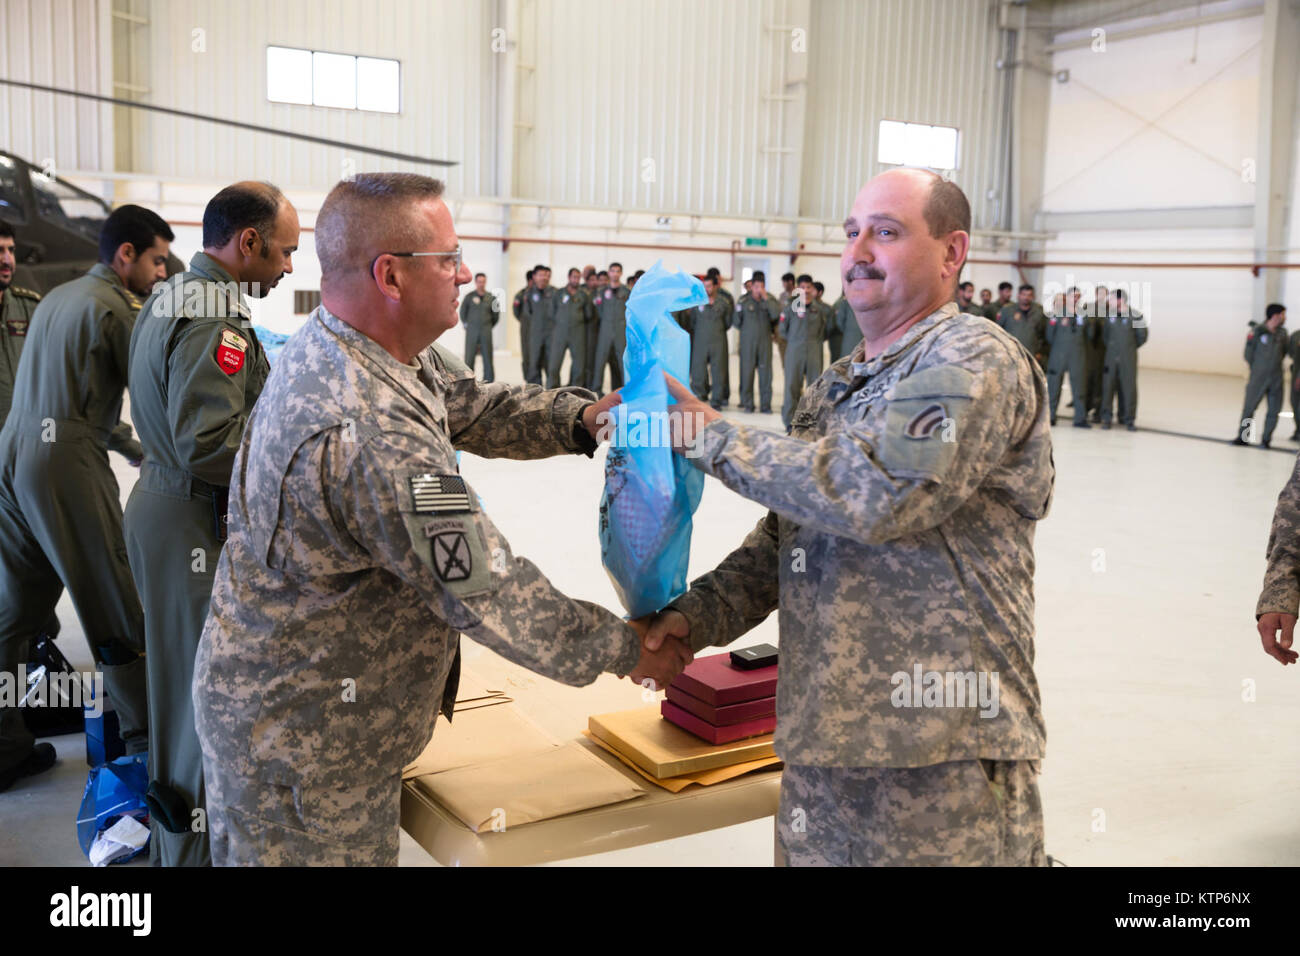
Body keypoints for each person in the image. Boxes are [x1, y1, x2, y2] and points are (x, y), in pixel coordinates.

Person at [192, 172, 691, 866]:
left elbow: (473, 404)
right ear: (390, 276)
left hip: (317, 724)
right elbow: (487, 586)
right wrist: (631, 649)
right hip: (304, 753)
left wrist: (579, 418)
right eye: (449, 260)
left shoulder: (367, 347)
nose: (464, 274)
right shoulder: (371, 432)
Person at [644, 168, 1053, 866]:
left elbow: (877, 493)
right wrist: (694, 617)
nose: (859, 251)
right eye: (852, 232)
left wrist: (704, 435)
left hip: (937, 757)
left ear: (952, 253)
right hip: (824, 747)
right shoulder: (840, 381)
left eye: (887, 233)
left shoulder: (971, 358)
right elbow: (791, 536)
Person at [124, 182, 299, 866]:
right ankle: (191, 853)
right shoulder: (217, 316)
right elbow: (212, 444)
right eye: (283, 252)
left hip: (163, 507)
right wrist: (298, 471)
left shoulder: (171, 291)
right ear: (247, 242)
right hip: (189, 518)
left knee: (176, 689)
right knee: (205, 699)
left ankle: (179, 846)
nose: (288, 268)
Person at [0, 205, 174, 794]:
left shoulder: (54, 297)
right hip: (63, 461)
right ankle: (151, 748)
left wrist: (123, 442)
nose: (160, 274)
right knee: (114, 605)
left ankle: (3, 745)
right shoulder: (118, 309)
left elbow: (69, 387)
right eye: (155, 260)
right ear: (125, 255)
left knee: (13, 612)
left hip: (14, 451)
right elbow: (155, 391)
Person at [0, 221, 43, 427]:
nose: (7, 260)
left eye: (11, 250)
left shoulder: (30, 308)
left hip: (21, 443)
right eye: (0, 251)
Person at [1232, 304, 1287, 448]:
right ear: (1275, 316)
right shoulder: (1256, 331)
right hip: (1258, 377)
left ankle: (1266, 439)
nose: (1284, 317)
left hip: (1276, 378)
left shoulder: (1282, 334)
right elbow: (1248, 354)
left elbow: (1284, 352)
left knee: (1274, 410)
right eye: (1282, 314)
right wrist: (1257, 368)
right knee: (1249, 408)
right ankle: (1243, 437)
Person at [779, 275, 828, 431]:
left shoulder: (819, 309)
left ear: (812, 289)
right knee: (792, 386)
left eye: (808, 287)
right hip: (794, 350)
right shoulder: (789, 308)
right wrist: (796, 341)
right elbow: (782, 330)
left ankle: (809, 421)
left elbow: (823, 330)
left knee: (814, 387)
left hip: (814, 349)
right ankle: (789, 421)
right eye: (803, 287)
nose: (806, 291)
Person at [1098, 288, 1146, 431]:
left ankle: (1128, 418)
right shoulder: (1108, 316)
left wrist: (1128, 348)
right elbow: (1105, 336)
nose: (1109, 302)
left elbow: (1142, 336)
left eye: (1111, 299)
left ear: (1120, 300)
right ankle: (1106, 418)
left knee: (1128, 389)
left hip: (1128, 358)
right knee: (1108, 388)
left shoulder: (1136, 316)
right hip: (1110, 358)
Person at [1044, 287, 1092, 428]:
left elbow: (1090, 335)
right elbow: (1049, 336)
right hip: (1058, 354)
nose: (1075, 299)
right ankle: (1050, 416)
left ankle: (1080, 418)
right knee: (1053, 386)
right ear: (1068, 297)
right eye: (1073, 296)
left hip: (1077, 355)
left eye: (1078, 296)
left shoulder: (1084, 315)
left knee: (1079, 387)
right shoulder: (1057, 314)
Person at [734, 271, 779, 414]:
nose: (758, 289)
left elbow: (775, 315)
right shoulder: (743, 301)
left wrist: (766, 298)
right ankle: (748, 404)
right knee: (747, 373)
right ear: (751, 286)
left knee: (766, 374)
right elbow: (736, 321)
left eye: (761, 286)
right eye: (756, 286)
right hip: (748, 342)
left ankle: (765, 405)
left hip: (765, 342)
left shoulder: (770, 300)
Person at [548, 267, 595, 387]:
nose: (576, 280)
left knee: (578, 365)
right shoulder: (558, 294)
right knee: (554, 364)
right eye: (574, 277)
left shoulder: (584, 295)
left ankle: (575, 390)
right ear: (569, 277)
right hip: (560, 332)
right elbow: (551, 312)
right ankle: (553, 389)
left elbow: (589, 314)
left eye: (578, 278)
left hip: (578, 332)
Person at [690, 274, 730, 409]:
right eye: (704, 286)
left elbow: (728, 322)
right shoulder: (697, 302)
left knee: (718, 370)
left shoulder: (724, 302)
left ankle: (717, 400)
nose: (706, 289)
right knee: (698, 370)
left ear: (715, 286)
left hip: (718, 341)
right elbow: (692, 322)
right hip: (700, 340)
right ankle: (700, 396)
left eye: (709, 286)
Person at [589, 262, 630, 395]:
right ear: (609, 273)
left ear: (621, 273)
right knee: (600, 360)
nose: (615, 274)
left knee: (623, 361)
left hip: (621, 329)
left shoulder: (627, 292)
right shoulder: (601, 292)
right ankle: (596, 391)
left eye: (618, 271)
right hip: (605, 330)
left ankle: (627, 391)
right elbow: (597, 311)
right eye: (613, 271)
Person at [459, 272, 498, 382]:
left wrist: (488, 326)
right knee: (469, 358)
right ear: (476, 282)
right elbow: (462, 312)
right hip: (472, 331)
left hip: (486, 331)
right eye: (479, 282)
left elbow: (496, 316)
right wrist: (467, 325)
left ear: (485, 282)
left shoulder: (492, 298)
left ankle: (489, 382)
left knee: (488, 359)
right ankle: (468, 382)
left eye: (483, 282)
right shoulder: (469, 297)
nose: (481, 284)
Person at [997, 284, 1047, 366]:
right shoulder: (1007, 311)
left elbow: (1044, 334)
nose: (1026, 298)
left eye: (1029, 295)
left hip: (1031, 355)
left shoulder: (1039, 312)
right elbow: (999, 330)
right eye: (1023, 294)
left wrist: (1041, 352)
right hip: (1010, 354)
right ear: (1018, 295)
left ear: (1033, 296)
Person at [523, 264, 555, 387]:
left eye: (546, 275)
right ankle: (535, 393)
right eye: (540, 275)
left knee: (551, 365)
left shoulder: (554, 293)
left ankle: (553, 392)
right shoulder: (529, 294)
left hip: (551, 335)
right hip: (535, 334)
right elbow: (527, 313)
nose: (544, 278)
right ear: (535, 277)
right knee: (534, 363)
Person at [512, 269, 534, 381]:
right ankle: (528, 380)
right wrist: (523, 320)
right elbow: (516, 311)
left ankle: (536, 379)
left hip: (539, 329)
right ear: (530, 280)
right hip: (526, 328)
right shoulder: (521, 295)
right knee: (526, 355)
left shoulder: (541, 293)